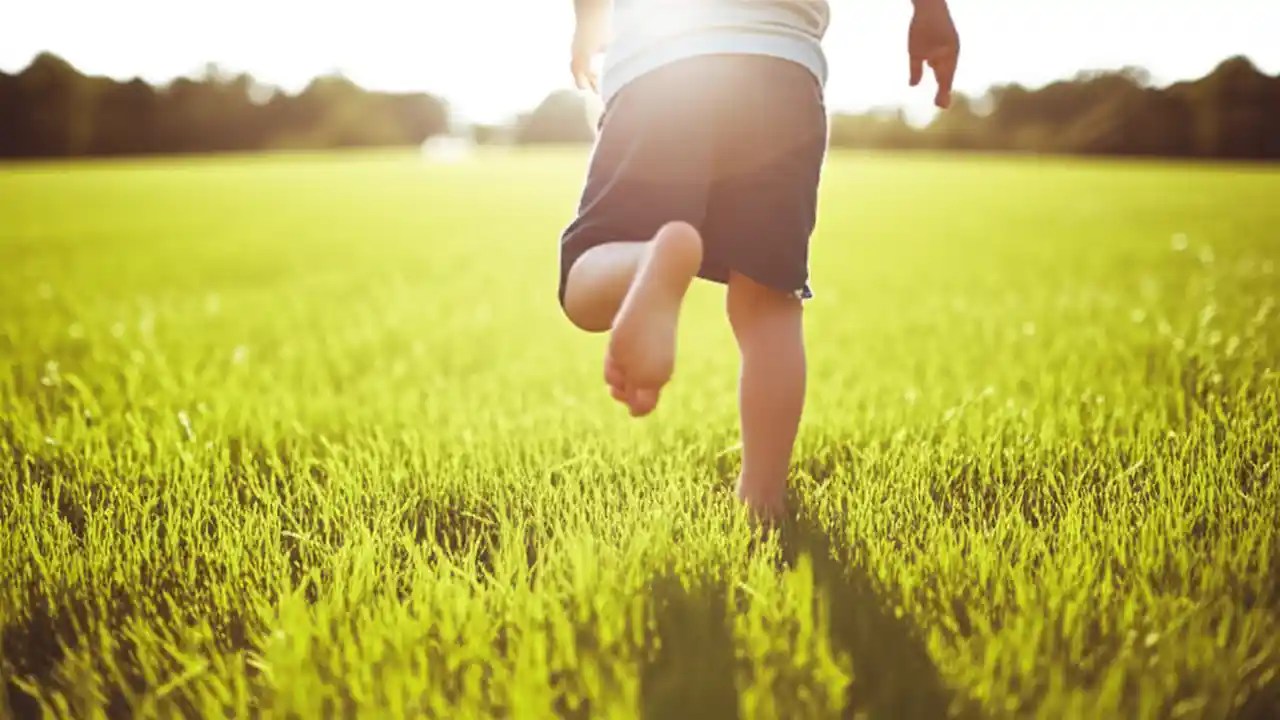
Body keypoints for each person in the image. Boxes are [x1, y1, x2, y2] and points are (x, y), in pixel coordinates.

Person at [557, 0, 960, 521]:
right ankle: (763, 498)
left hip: (661, 68)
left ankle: (645, 263)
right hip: (782, 76)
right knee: (769, 305)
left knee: (584, 284)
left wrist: (588, 24)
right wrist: (930, 11)